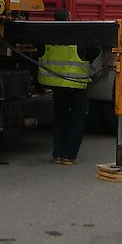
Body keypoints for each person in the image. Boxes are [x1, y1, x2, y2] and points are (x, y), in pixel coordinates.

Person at [38, 9, 96, 165]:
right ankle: (70, 155)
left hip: (57, 84)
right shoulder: (77, 36)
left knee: (60, 118)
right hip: (76, 85)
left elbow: (40, 52)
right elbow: (92, 52)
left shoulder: (48, 37)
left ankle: (58, 154)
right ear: (69, 18)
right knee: (77, 119)